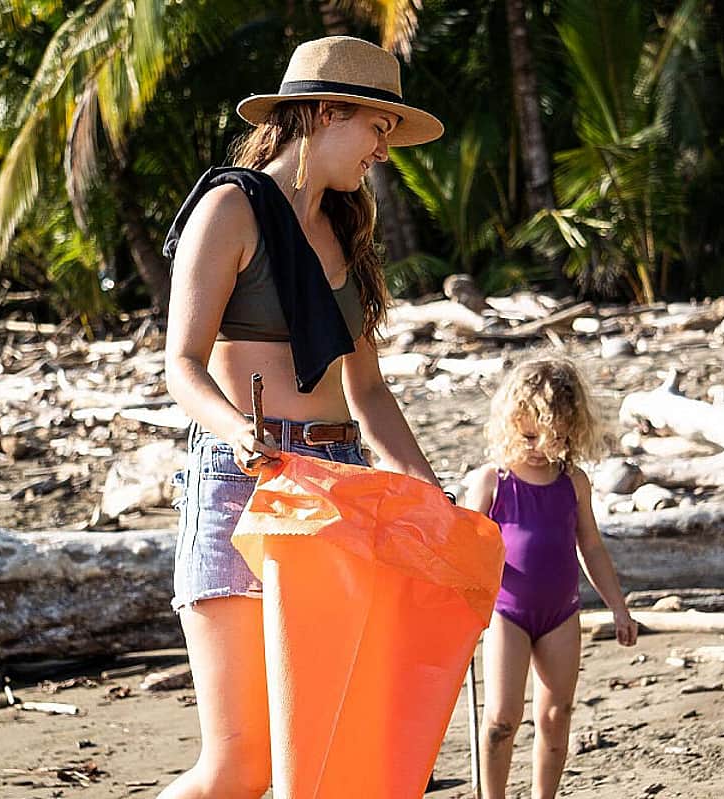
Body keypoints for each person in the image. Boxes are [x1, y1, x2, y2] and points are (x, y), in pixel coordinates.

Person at [158, 36, 446, 799]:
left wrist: (428, 493)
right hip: (240, 483)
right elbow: (180, 363)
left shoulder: (349, 230)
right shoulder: (230, 206)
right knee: (240, 766)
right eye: (377, 128)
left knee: (323, 756)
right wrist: (236, 430)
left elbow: (370, 394)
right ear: (324, 111)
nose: (383, 152)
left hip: (338, 487)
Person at [461, 356, 639, 799]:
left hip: (560, 614)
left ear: (570, 430)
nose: (540, 445)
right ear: (509, 422)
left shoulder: (573, 482)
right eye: (528, 435)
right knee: (502, 720)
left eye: (554, 436)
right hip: (507, 613)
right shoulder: (493, 481)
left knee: (556, 713)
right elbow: (463, 548)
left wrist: (619, 607)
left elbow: (592, 547)